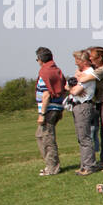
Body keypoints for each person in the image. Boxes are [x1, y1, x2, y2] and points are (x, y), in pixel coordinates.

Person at [75, 47, 103, 171]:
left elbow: (83, 78)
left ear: (100, 58)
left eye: (92, 57)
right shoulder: (97, 69)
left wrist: (78, 76)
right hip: (101, 103)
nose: (89, 58)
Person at [65, 50, 100, 174]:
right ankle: (84, 165)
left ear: (84, 61)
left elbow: (74, 91)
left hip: (83, 106)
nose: (76, 64)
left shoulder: (88, 73)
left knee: (84, 137)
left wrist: (72, 88)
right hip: (77, 105)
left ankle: (89, 166)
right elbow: (68, 86)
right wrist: (72, 87)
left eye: (77, 61)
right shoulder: (80, 73)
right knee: (81, 137)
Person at [34, 47, 67, 176]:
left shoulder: (45, 73)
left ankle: (53, 167)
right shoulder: (56, 70)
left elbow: (46, 94)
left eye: (37, 59)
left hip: (49, 110)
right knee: (40, 136)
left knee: (47, 138)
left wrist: (42, 114)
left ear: (41, 59)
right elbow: (63, 89)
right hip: (56, 108)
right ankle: (49, 165)